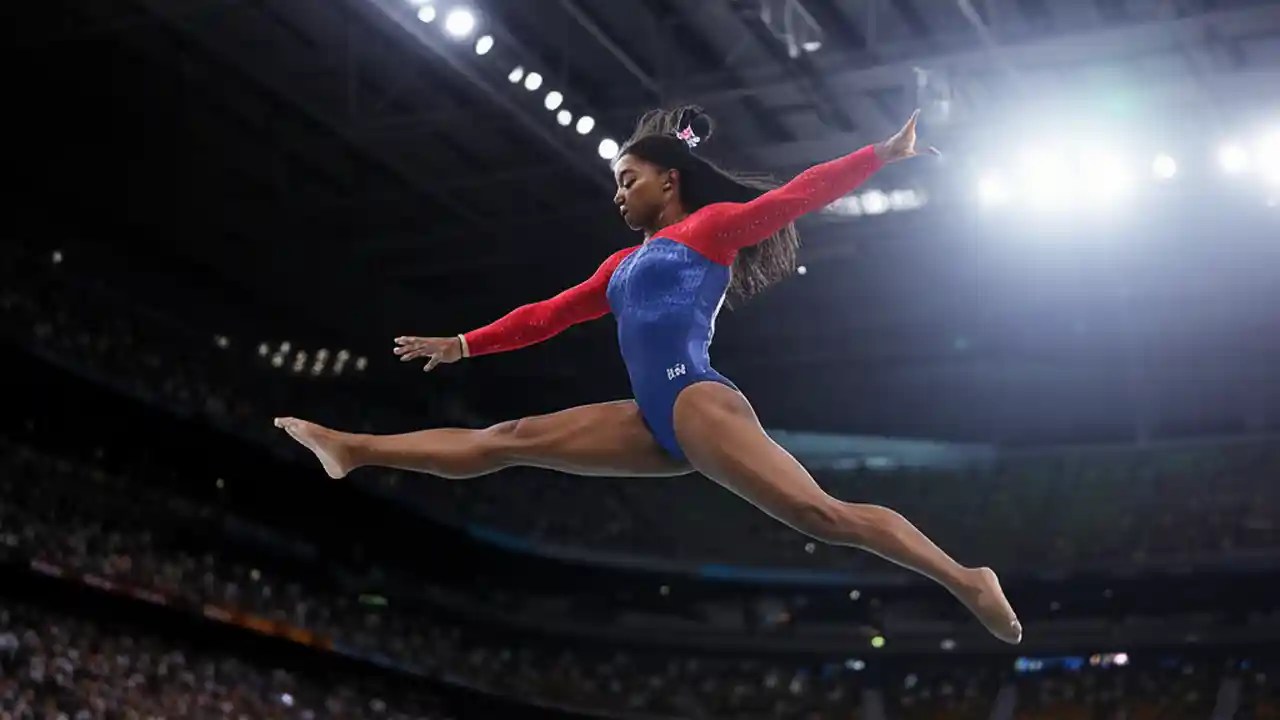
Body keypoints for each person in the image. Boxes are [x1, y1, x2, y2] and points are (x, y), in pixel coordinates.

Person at [275, 107, 1022, 644]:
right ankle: (353, 447)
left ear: (670, 180)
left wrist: (880, 155)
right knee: (506, 437)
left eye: (628, 178)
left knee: (822, 517)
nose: (617, 192)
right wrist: (464, 344)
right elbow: (548, 315)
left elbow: (796, 195)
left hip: (698, 399)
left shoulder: (712, 228)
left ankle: (966, 578)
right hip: (651, 416)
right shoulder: (620, 266)